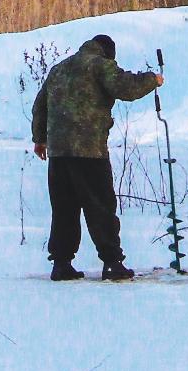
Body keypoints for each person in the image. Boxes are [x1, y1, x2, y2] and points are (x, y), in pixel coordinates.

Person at [30, 33, 163, 281]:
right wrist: (152, 80)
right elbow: (125, 87)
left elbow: (40, 105)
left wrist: (39, 139)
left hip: (59, 153)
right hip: (89, 151)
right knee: (100, 207)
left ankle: (61, 264)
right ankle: (112, 262)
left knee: (64, 210)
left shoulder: (59, 69)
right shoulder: (100, 65)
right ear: (107, 52)